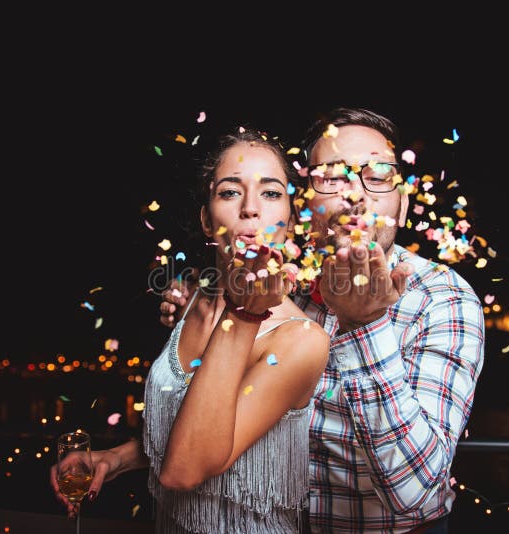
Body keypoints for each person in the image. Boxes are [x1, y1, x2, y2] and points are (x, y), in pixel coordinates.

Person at [161, 108, 485, 533]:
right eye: (331, 176)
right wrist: (197, 297)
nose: (355, 195)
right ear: (305, 207)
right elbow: (223, 418)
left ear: (404, 206)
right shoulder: (283, 287)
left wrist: (364, 327)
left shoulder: (443, 298)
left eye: (379, 175)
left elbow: (415, 494)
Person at [51, 127, 330, 533]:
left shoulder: (300, 340)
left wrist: (244, 314)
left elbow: (183, 470)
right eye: (230, 192)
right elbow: (192, 426)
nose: (250, 208)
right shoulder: (194, 297)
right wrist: (117, 458)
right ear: (206, 220)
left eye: (271, 193)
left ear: (290, 218)